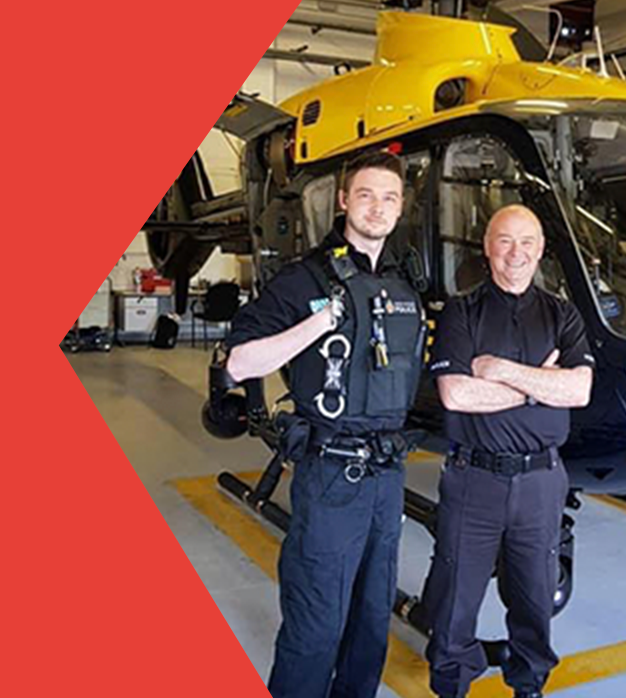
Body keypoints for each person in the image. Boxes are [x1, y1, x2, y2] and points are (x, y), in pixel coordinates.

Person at [223, 150, 426, 698]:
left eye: (389, 197)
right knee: (315, 626)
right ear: (343, 202)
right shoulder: (304, 279)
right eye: (365, 195)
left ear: (401, 207)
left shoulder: (404, 286)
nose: (377, 207)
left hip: (386, 479)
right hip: (331, 476)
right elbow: (239, 362)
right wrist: (317, 324)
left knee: (370, 624)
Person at [421, 204, 594, 698]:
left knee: (534, 596)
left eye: (526, 243)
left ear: (540, 250)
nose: (515, 254)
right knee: (457, 596)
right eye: (504, 241)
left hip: (542, 482)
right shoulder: (461, 311)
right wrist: (542, 384)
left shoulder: (562, 314)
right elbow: (457, 394)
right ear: (487, 247)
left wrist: (498, 368)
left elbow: (579, 390)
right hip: (474, 480)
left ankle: (528, 684)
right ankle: (452, 684)